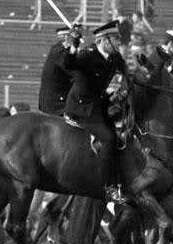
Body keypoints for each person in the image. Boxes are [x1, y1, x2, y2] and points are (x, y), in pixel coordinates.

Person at [63, 20, 128, 203]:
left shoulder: (114, 57)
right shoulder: (87, 55)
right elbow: (69, 63)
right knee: (108, 138)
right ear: (104, 41)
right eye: (115, 40)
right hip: (81, 108)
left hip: (99, 104)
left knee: (122, 130)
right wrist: (74, 42)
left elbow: (127, 73)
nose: (118, 43)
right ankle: (108, 186)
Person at [39, 24, 82, 115]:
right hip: (57, 104)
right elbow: (71, 69)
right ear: (67, 38)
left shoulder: (59, 50)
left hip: (59, 100)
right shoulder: (59, 52)